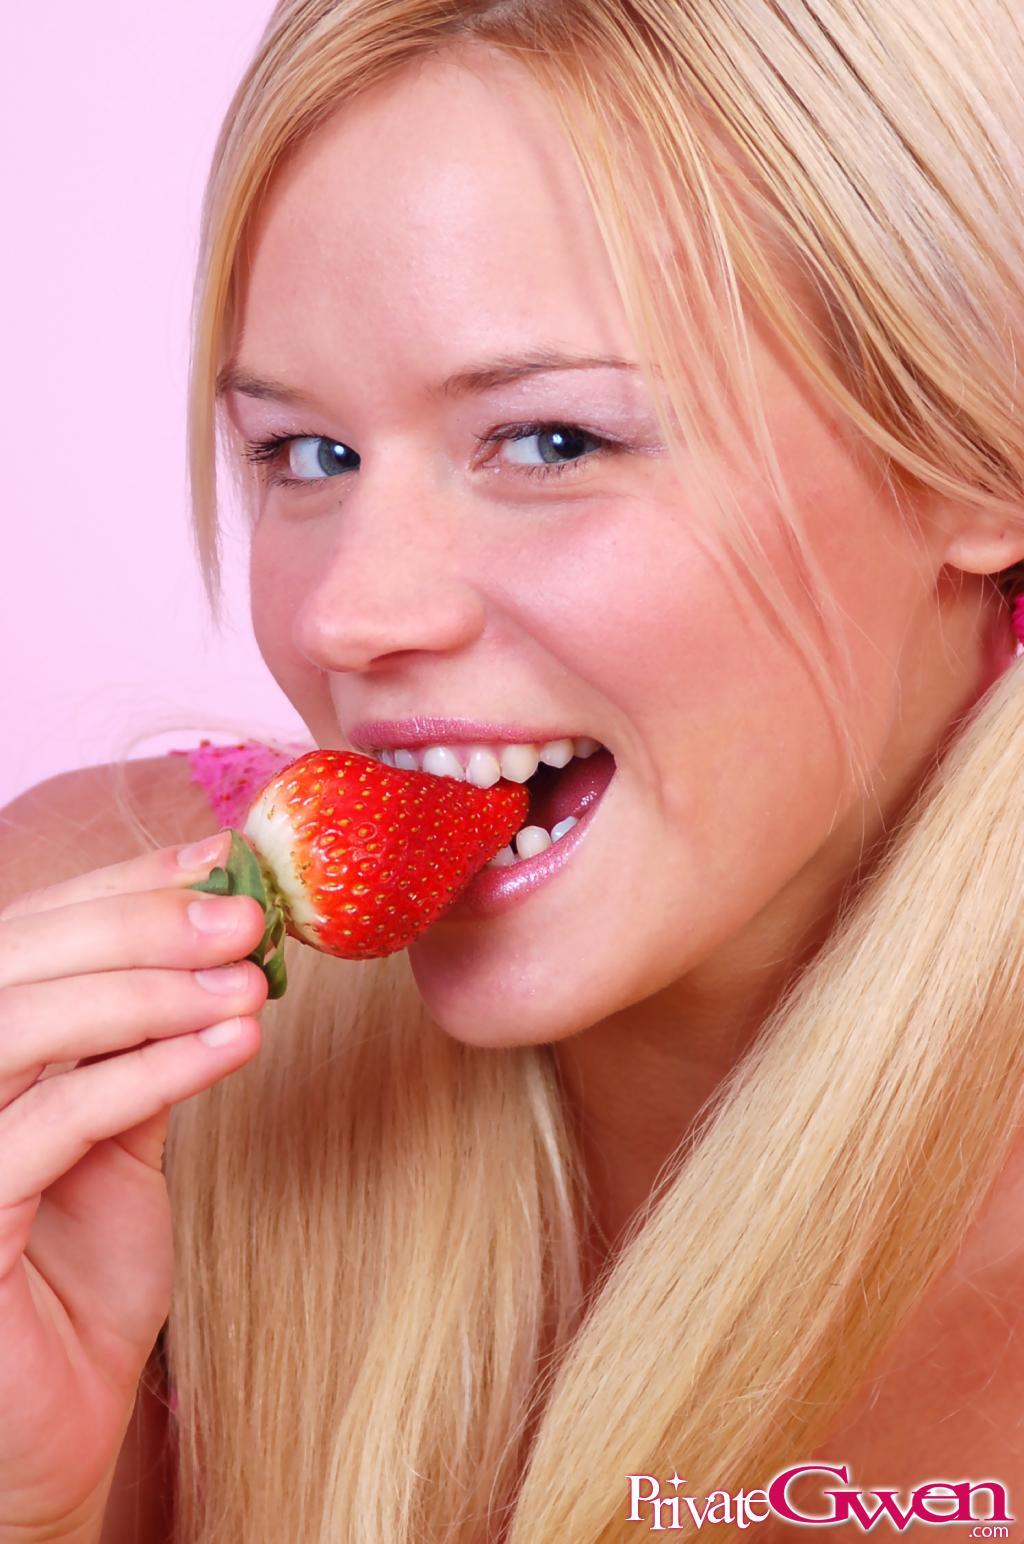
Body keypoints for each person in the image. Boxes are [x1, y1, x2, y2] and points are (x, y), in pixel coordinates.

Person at [2, 1, 1024, 1540]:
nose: (345, 615)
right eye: (307, 457)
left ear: (973, 457)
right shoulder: (74, 1059)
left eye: (548, 442)